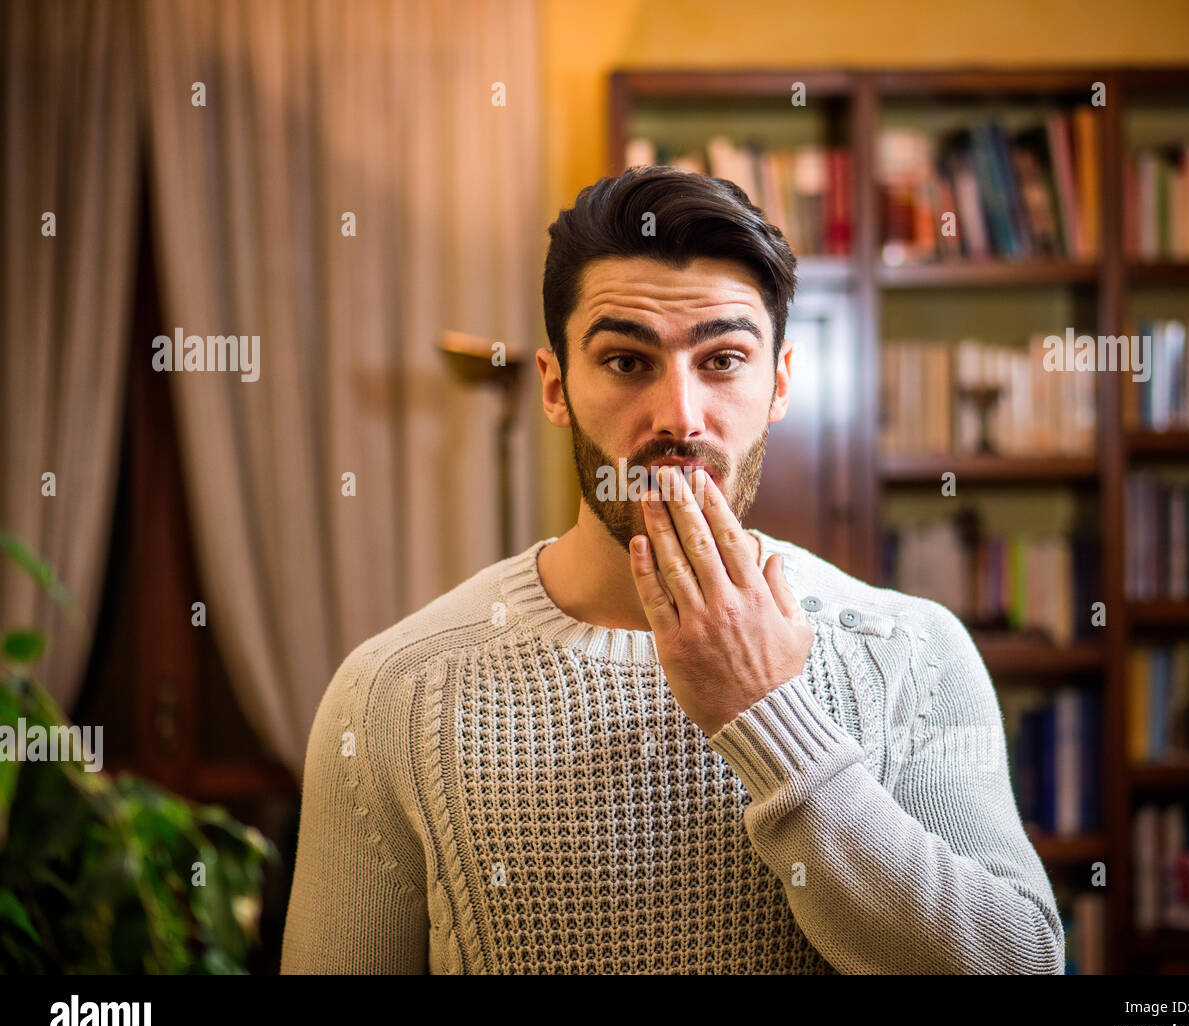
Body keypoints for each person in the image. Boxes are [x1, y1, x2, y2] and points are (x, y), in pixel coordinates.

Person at [280, 165, 1065, 974]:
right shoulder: (387, 695)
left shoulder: (913, 653)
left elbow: (1022, 966)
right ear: (555, 387)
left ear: (780, 384)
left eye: (723, 360)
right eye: (627, 361)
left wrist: (769, 717)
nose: (679, 417)